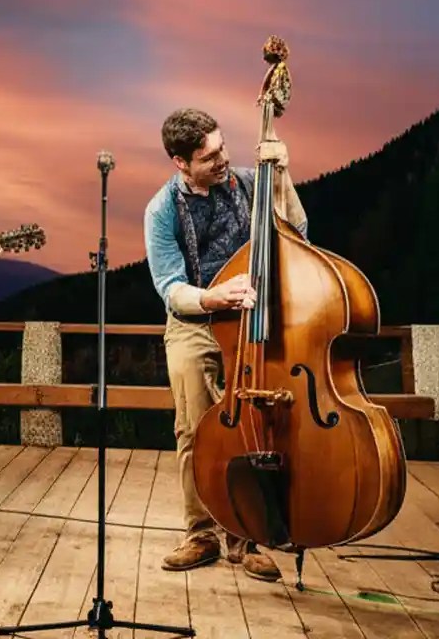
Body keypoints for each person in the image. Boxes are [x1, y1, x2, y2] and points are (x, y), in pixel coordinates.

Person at [143, 107, 309, 583]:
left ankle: (246, 536)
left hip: (248, 319)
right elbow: (170, 287)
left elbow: (297, 233)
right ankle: (201, 533)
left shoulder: (250, 184)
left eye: (222, 148)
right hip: (194, 321)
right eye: (208, 157)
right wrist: (212, 298)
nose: (222, 160)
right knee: (194, 427)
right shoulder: (161, 210)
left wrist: (282, 174)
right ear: (181, 162)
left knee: (253, 422)